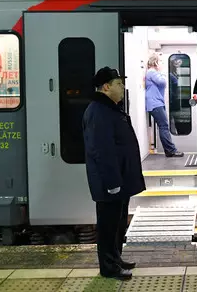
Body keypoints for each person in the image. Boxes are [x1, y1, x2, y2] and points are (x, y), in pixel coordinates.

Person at [82, 67, 146, 280]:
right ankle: (108, 267)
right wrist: (112, 182)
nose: (123, 87)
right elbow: (102, 150)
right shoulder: (98, 111)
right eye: (119, 84)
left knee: (117, 223)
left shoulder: (109, 109)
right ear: (106, 87)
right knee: (108, 225)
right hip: (110, 183)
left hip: (119, 180)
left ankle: (116, 258)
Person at [145, 54, 184, 157]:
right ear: (155, 62)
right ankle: (170, 150)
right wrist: (162, 73)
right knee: (164, 126)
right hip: (155, 103)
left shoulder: (152, 73)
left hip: (157, 103)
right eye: (160, 62)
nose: (162, 64)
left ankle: (170, 150)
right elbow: (162, 82)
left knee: (164, 126)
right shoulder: (152, 72)